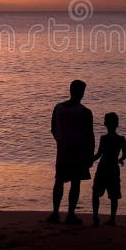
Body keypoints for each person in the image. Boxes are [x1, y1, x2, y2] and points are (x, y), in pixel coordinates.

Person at [48, 79, 94, 224]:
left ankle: (55, 213)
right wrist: (90, 154)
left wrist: (61, 142)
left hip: (62, 151)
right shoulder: (85, 112)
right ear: (81, 93)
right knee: (75, 183)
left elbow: (53, 129)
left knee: (59, 181)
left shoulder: (58, 108)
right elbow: (89, 135)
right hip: (78, 152)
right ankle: (70, 214)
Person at [91, 112, 126, 227]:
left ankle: (96, 217)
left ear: (105, 124)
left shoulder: (104, 138)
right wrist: (120, 159)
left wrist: (90, 160)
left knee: (97, 193)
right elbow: (125, 154)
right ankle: (112, 219)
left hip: (103, 168)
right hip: (113, 168)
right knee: (113, 195)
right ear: (117, 124)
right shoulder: (121, 139)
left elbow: (99, 154)